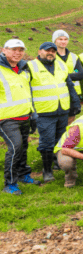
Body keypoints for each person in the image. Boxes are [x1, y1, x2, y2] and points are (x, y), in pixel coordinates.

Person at [26, 42, 81, 183]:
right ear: (39, 51)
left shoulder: (61, 65)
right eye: (47, 50)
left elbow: (69, 85)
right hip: (44, 112)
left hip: (62, 110)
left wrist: (75, 104)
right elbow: (26, 91)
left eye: (53, 51)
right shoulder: (30, 66)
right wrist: (31, 112)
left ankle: (58, 163)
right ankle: (47, 170)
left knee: (61, 139)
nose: (50, 53)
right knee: (47, 142)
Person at [1, 39, 41, 194]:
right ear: (4, 50)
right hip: (5, 118)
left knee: (23, 147)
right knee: (15, 147)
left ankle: (23, 174)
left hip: (25, 115)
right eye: (13, 49)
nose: (18, 53)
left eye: (21, 50)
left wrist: (32, 114)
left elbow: (27, 93)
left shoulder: (24, 69)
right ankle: (9, 184)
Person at [52, 30, 83, 110]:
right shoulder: (51, 56)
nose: (63, 41)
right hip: (57, 93)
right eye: (60, 39)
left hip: (73, 93)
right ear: (54, 40)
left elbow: (80, 74)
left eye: (65, 39)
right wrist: (73, 73)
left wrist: (62, 76)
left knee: (71, 119)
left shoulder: (74, 57)